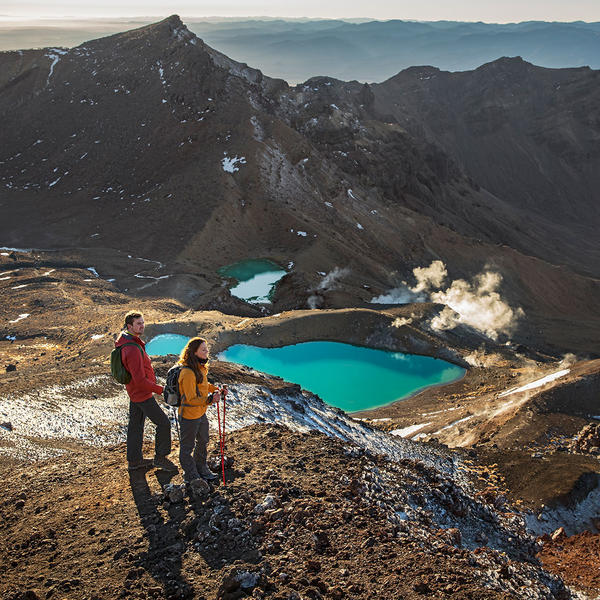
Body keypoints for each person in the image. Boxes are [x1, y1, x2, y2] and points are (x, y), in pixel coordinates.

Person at [115, 311, 178, 472]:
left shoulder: (128, 342)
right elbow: (140, 380)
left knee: (135, 426)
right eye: (138, 323)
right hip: (141, 394)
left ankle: (134, 461)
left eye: (143, 323)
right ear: (129, 326)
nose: (142, 326)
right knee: (163, 423)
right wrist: (161, 390)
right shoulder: (132, 349)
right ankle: (160, 458)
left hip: (135, 393)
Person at [177, 337, 221, 482]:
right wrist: (209, 400)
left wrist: (216, 390)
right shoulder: (188, 373)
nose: (207, 351)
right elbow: (190, 399)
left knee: (203, 440)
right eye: (203, 349)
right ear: (194, 352)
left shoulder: (200, 368)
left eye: (206, 348)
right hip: (189, 415)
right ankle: (191, 475)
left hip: (200, 413)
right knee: (187, 447)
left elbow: (204, 386)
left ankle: (201, 468)